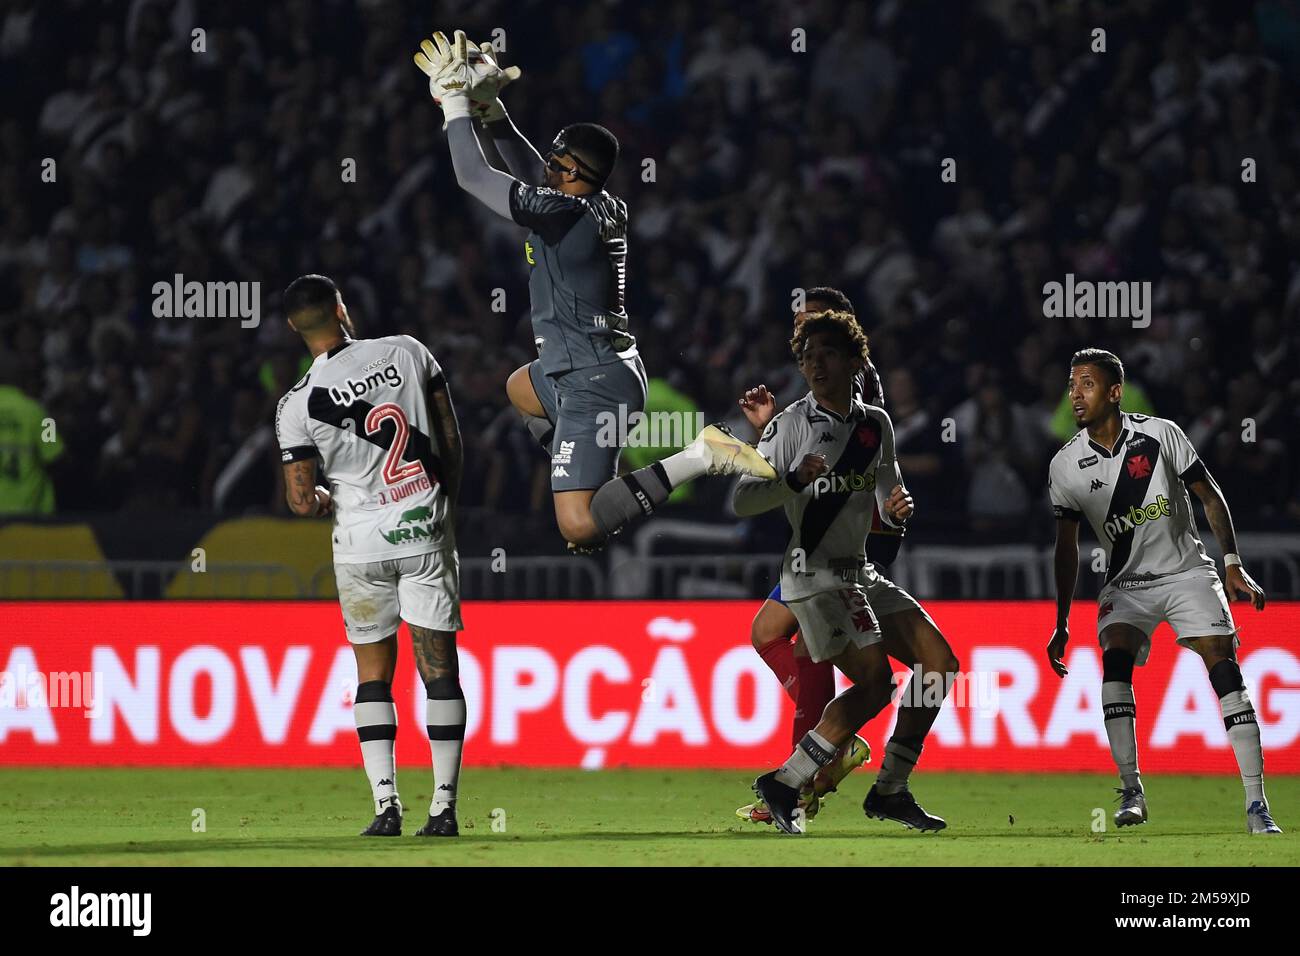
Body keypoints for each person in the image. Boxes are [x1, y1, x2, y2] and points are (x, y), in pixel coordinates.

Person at [414, 30, 774, 556]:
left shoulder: (561, 211)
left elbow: (472, 175)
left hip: (593, 382)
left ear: (576, 174)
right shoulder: (597, 204)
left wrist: (453, 103)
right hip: (594, 367)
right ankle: (593, 493)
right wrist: (492, 113)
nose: (547, 167)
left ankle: (702, 453)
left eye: (557, 163)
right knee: (519, 387)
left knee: (578, 528)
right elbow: (529, 173)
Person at [734, 288, 955, 831]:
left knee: (939, 668)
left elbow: (889, 494)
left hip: (862, 572)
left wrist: (898, 509)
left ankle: (889, 789)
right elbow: (741, 499)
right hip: (814, 577)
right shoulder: (789, 426)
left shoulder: (876, 422)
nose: (814, 363)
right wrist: (790, 479)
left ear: (855, 359)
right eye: (807, 355)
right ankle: (788, 782)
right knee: (871, 683)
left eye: (826, 352)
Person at [1047, 348, 1280, 834]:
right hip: (1125, 584)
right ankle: (1132, 790)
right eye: (1072, 385)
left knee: (1223, 665)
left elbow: (1209, 495)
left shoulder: (1161, 435)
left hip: (1187, 572)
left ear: (1114, 392)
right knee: (1115, 659)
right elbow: (1066, 550)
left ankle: (1257, 804)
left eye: (1086, 384)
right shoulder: (1066, 466)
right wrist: (1062, 621)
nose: (1075, 394)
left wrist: (1232, 563)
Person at [274, 274, 467, 838]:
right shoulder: (408, 352)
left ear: (293, 327)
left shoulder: (296, 404)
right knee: (439, 672)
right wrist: (444, 507)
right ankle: (444, 808)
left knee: (373, 676)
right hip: (425, 532)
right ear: (341, 308)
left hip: (360, 547)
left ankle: (386, 808)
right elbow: (450, 440)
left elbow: (301, 499)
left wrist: (330, 498)